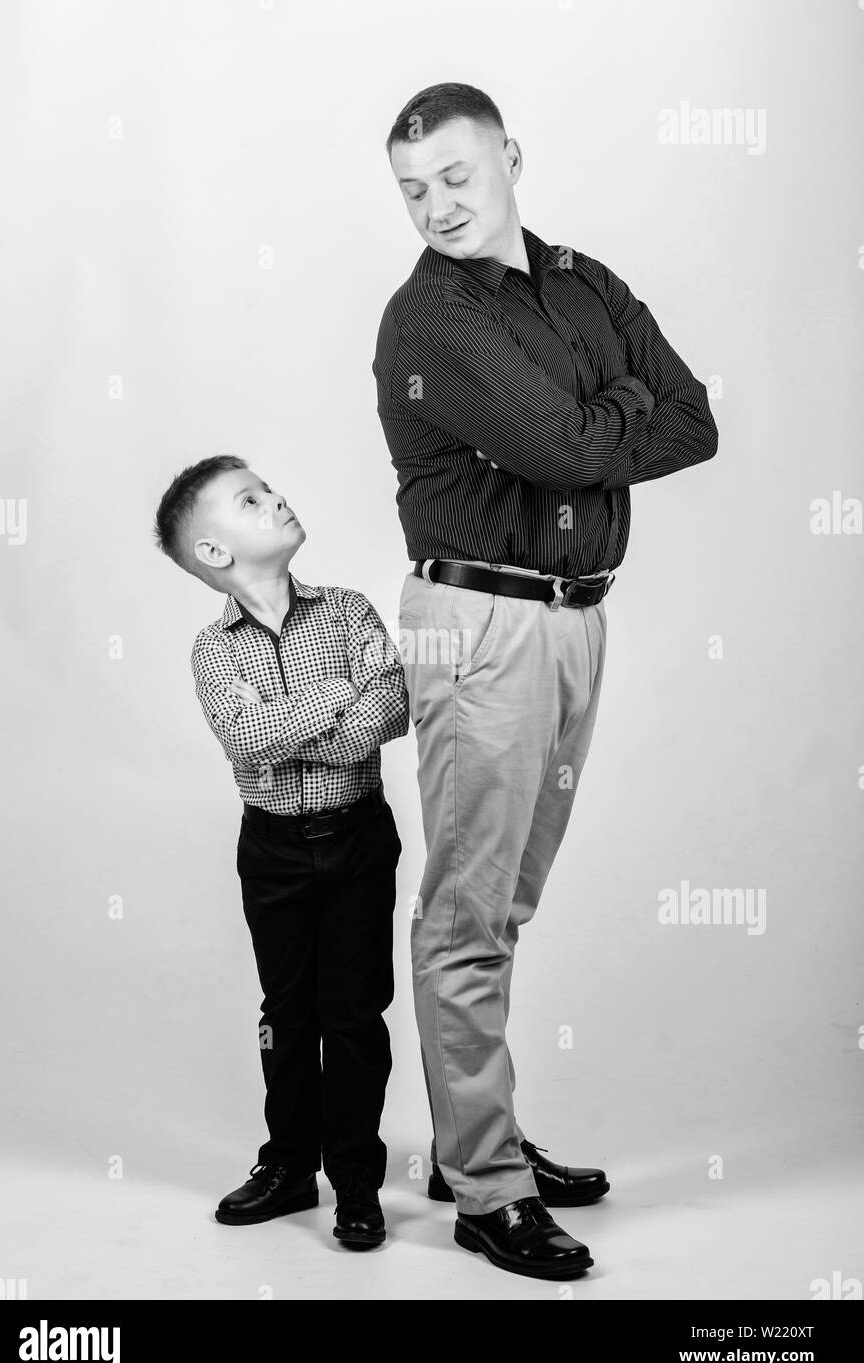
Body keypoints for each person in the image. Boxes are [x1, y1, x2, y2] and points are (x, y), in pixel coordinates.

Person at [373, 82, 718, 1280]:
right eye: (413, 190)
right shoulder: (429, 321)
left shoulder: (585, 281)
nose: (436, 207)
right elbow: (578, 449)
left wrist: (596, 413)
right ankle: (484, 1188)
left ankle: (481, 1138)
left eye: (457, 178)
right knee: (466, 914)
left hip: (574, 620)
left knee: (506, 905)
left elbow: (697, 420)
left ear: (510, 155)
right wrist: (610, 413)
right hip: (475, 623)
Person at [153, 454, 408, 1247]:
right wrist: (341, 698)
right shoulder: (213, 650)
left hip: (359, 836)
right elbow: (245, 735)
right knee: (287, 1015)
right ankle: (290, 1164)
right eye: (251, 500)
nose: (277, 499)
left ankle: (356, 1180)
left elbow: (392, 710)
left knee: (357, 1014)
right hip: (273, 851)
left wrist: (295, 721)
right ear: (214, 554)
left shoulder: (348, 610)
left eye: (269, 489)